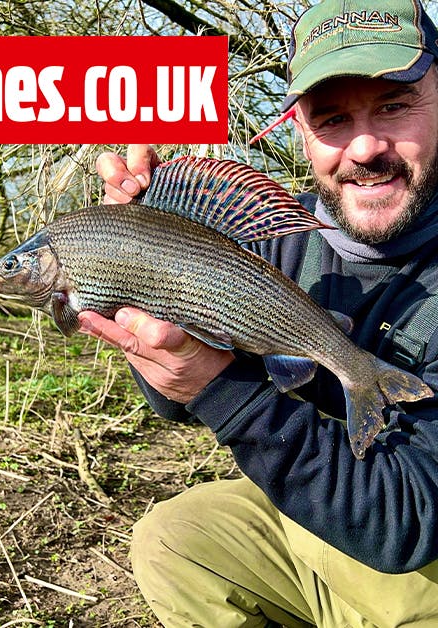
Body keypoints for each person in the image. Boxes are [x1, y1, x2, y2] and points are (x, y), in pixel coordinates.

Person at [92, 0, 438, 625]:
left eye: (394, 105)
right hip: (339, 508)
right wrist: (139, 269)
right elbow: (173, 402)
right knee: (176, 540)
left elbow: (407, 524)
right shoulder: (276, 233)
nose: (364, 147)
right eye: (331, 119)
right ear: (298, 130)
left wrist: (220, 390)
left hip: (420, 542)